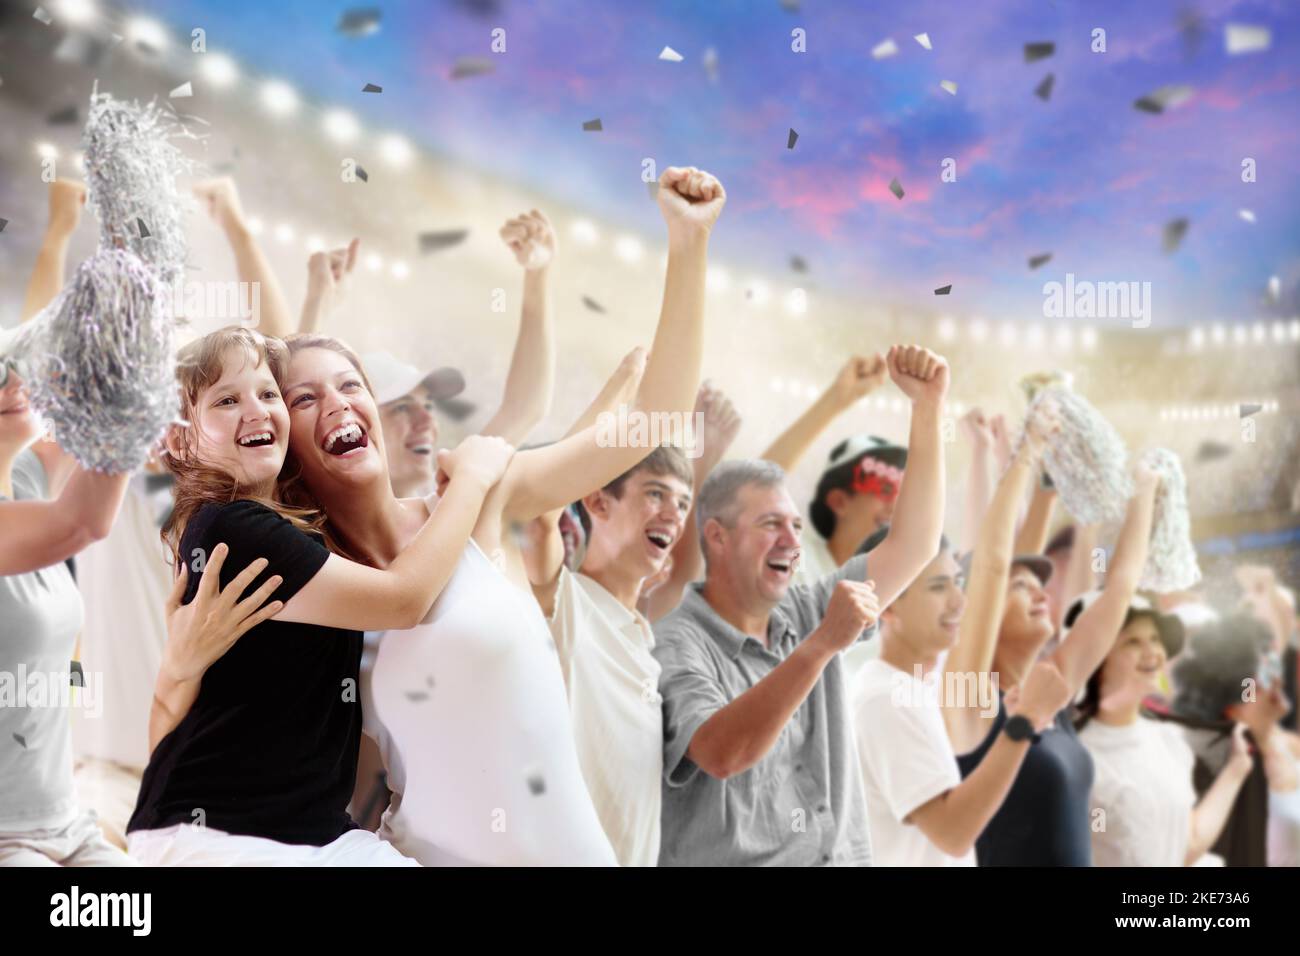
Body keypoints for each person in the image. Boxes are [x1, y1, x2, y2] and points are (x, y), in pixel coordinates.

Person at [265, 165, 725, 866]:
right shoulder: (310, 591)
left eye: (351, 384)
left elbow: (653, 418)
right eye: (304, 399)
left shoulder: (475, 492)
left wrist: (688, 244)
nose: (338, 404)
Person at [128, 326, 515, 865]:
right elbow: (404, 600)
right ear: (177, 439)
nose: (257, 411)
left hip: (305, 833)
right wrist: (471, 481)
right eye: (226, 401)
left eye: (267, 394)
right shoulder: (235, 528)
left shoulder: (282, 529)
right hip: (223, 837)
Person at [654, 344, 948, 866]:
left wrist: (927, 409)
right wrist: (819, 648)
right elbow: (723, 753)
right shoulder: (677, 638)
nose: (791, 541)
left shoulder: (808, 607)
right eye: (772, 526)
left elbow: (915, 543)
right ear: (716, 538)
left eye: (795, 525)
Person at [853, 406, 1071, 866]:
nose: (960, 600)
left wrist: (990, 457)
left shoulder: (921, 685)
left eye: (957, 583)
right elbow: (952, 832)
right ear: (888, 606)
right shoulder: (886, 698)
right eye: (939, 587)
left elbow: (989, 558)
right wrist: (1025, 722)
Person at [0, 180, 137, 867]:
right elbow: (84, 521)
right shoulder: (41, 512)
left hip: (66, 819)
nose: (9, 380)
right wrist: (131, 390)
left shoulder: (24, 476)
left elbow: (39, 345)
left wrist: (73, 236)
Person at [953, 460, 1161, 866]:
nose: (1040, 595)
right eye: (1020, 587)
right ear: (982, 611)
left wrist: (1144, 491)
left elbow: (1119, 588)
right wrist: (1024, 455)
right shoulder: (970, 700)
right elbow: (992, 564)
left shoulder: (1052, 688)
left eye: (1039, 586)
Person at [1072, 593, 1253, 865]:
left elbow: (1187, 843)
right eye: (1132, 641)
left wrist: (1237, 769)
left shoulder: (1170, 740)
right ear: (1096, 660)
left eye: (1155, 639)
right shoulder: (1075, 757)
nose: (1153, 652)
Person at [760, 355, 895, 580]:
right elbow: (752, 493)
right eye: (886, 488)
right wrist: (834, 401)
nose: (894, 509)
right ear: (839, 501)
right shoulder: (799, 556)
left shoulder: (883, 588)